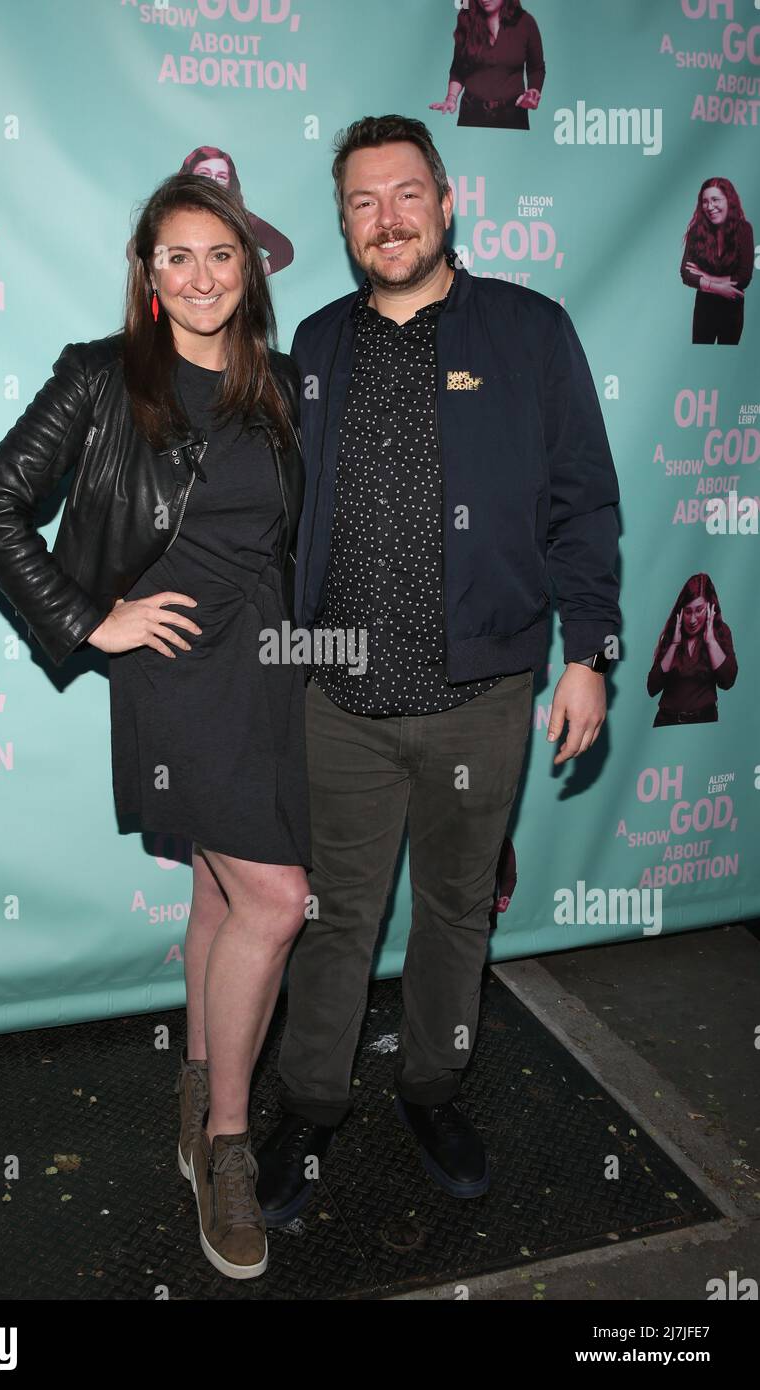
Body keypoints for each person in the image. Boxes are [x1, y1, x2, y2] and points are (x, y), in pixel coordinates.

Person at [254, 114, 621, 1225]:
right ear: (344, 220)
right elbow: (269, 522)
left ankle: (431, 1086)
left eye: (406, 194)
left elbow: (583, 505)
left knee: (458, 912)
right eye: (363, 202)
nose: (388, 218)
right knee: (332, 919)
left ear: (448, 200)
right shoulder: (313, 346)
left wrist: (591, 655)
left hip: (483, 696)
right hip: (340, 699)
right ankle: (311, 1105)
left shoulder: (530, 329)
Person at [0, 172, 311, 1281]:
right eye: (178, 257)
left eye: (222, 254)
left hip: (272, 669)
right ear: (148, 277)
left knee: (217, 886)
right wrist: (87, 618)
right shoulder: (101, 377)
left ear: (247, 268)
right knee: (276, 898)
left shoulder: (281, 382)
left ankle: (197, 1080)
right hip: (175, 674)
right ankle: (226, 1143)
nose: (202, 276)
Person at [180, 146, 295, 276]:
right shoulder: (168, 217)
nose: (212, 181)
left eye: (221, 177)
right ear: (187, 178)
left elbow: (283, 250)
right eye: (204, 174)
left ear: (230, 184)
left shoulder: (239, 217)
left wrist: (247, 277)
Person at [430, 0, 544, 131]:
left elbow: (536, 68)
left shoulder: (525, 22)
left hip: (513, 115)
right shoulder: (467, 21)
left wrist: (533, 92)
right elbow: (458, 69)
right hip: (472, 113)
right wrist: (451, 98)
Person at [647, 574, 737, 726]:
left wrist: (710, 641)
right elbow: (652, 687)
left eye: (699, 610)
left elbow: (727, 681)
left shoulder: (721, 633)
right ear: (681, 612)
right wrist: (674, 644)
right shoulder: (673, 633)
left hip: (705, 721)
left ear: (710, 608)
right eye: (688, 612)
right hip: (667, 721)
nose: (693, 619)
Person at [680, 178, 754, 346]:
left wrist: (705, 278)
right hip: (704, 310)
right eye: (705, 201)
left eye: (715, 200)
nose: (710, 206)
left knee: (725, 359)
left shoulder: (744, 230)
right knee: (700, 359)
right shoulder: (696, 231)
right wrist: (720, 288)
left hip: (732, 310)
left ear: (729, 201)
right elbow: (686, 274)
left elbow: (743, 278)